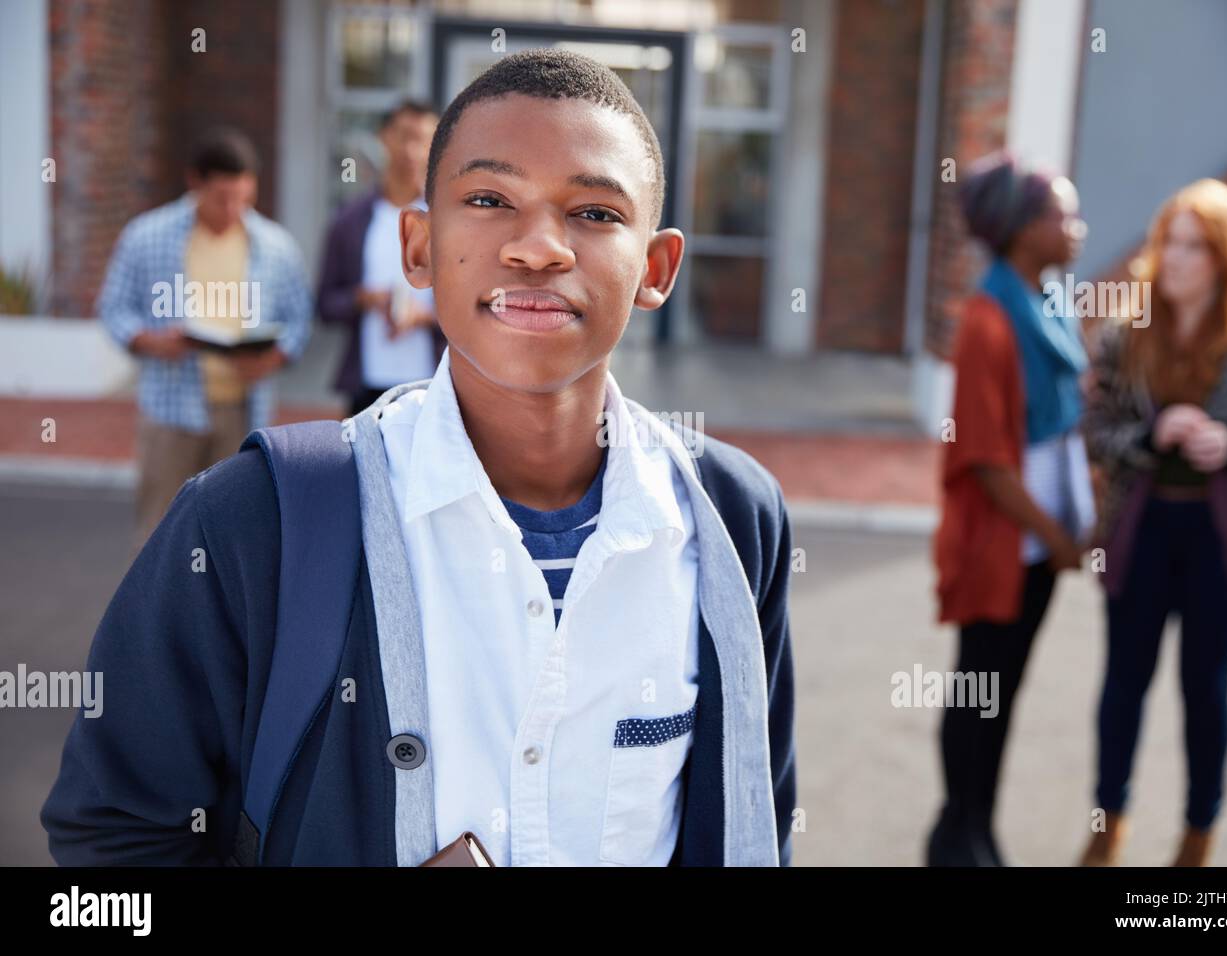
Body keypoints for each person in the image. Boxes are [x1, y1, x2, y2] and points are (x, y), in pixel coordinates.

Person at [41, 49, 796, 867]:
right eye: (487, 199)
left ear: (656, 269)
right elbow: (108, 843)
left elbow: (759, 815)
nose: (539, 248)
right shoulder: (251, 521)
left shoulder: (734, 520)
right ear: (419, 248)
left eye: (596, 213)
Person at [1078, 179, 1227, 867]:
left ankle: (1198, 834)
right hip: (1142, 528)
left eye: (1194, 247)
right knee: (1123, 683)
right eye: (1169, 242)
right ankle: (1107, 822)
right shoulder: (1125, 334)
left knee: (1206, 689)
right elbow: (1094, 430)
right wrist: (1150, 437)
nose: (1175, 260)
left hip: (1221, 536)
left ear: (1225, 257)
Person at [928, 152, 1093, 866]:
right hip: (1006, 544)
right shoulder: (989, 322)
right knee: (980, 690)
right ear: (1024, 230)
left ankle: (976, 829)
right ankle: (960, 833)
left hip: (1040, 546)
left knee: (1004, 688)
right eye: (1063, 214)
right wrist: (1056, 535)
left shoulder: (1048, 303)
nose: (1077, 227)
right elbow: (987, 460)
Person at [97, 127, 313, 550]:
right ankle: (159, 615)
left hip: (242, 410)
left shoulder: (275, 245)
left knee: (233, 533)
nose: (232, 209)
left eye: (242, 198)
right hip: (169, 411)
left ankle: (220, 617)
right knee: (160, 531)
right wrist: (148, 341)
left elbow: (299, 318)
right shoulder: (147, 235)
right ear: (195, 182)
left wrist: (275, 358)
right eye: (220, 199)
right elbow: (114, 307)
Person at [317, 100, 446, 417]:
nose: (411, 150)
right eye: (403, 136)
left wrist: (424, 317)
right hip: (367, 385)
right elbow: (324, 304)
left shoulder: (449, 219)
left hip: (436, 383)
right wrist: (364, 298)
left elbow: (479, 304)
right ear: (383, 138)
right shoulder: (350, 220)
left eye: (423, 139)